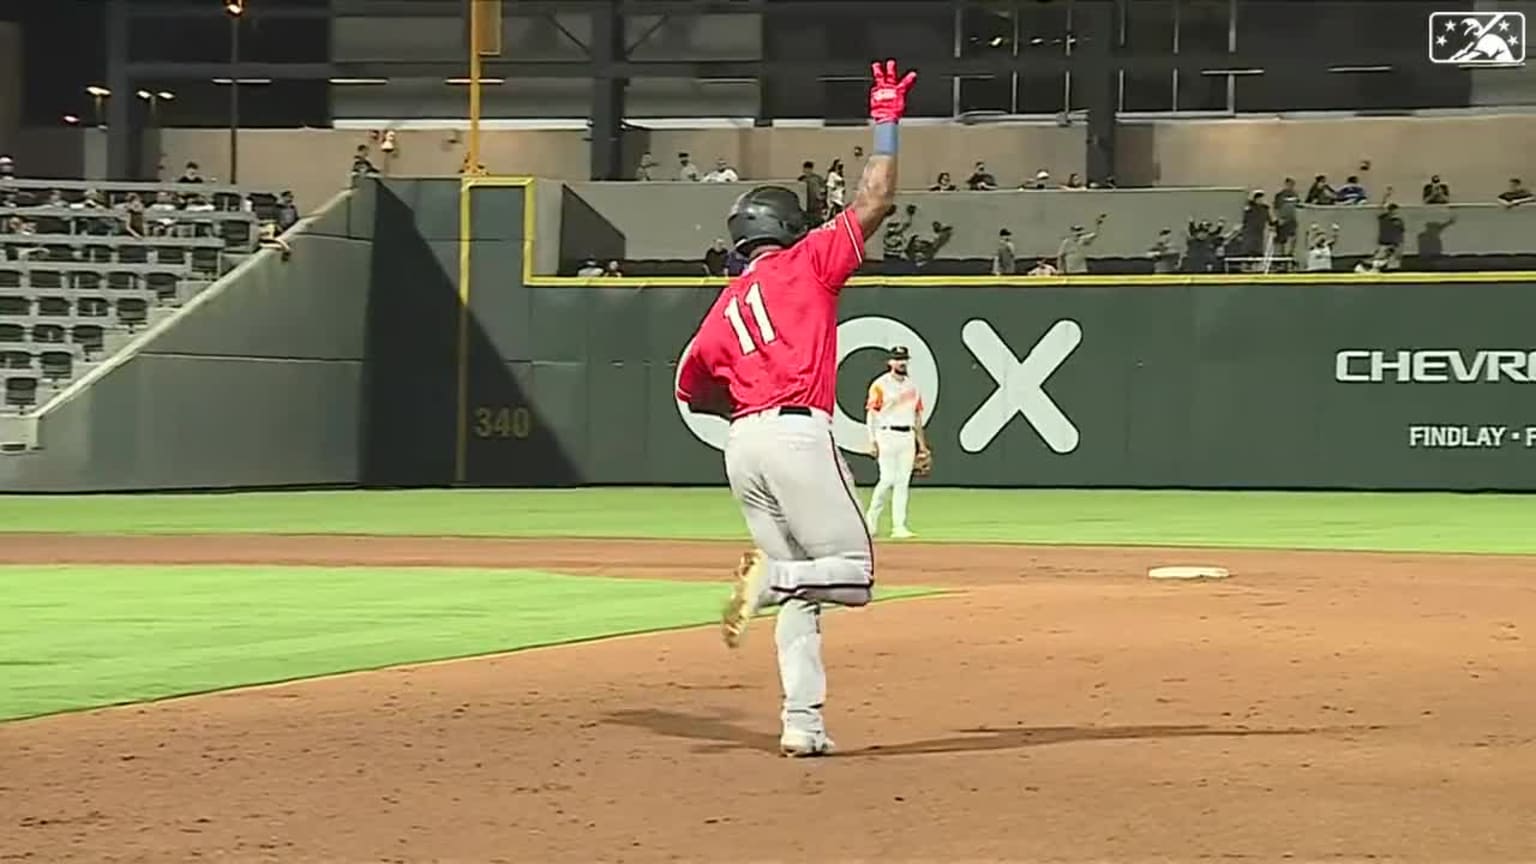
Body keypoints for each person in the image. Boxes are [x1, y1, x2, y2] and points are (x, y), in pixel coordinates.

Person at [674, 59, 914, 759]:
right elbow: (876, 199)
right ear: (786, 226)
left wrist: (743, 407)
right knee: (853, 574)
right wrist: (886, 121)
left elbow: (690, 389)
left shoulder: (720, 309)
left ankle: (802, 724)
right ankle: (771, 577)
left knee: (807, 596)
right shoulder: (806, 260)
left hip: (742, 446)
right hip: (795, 432)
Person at [863, 346, 929, 539]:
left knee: (903, 482)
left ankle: (899, 526)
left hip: (907, 435)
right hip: (886, 434)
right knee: (887, 479)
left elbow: (916, 416)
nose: (902, 362)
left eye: (904, 359)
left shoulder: (912, 386)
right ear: (890, 362)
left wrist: (922, 445)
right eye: (898, 359)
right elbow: (872, 414)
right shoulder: (880, 385)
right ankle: (871, 519)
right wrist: (872, 440)